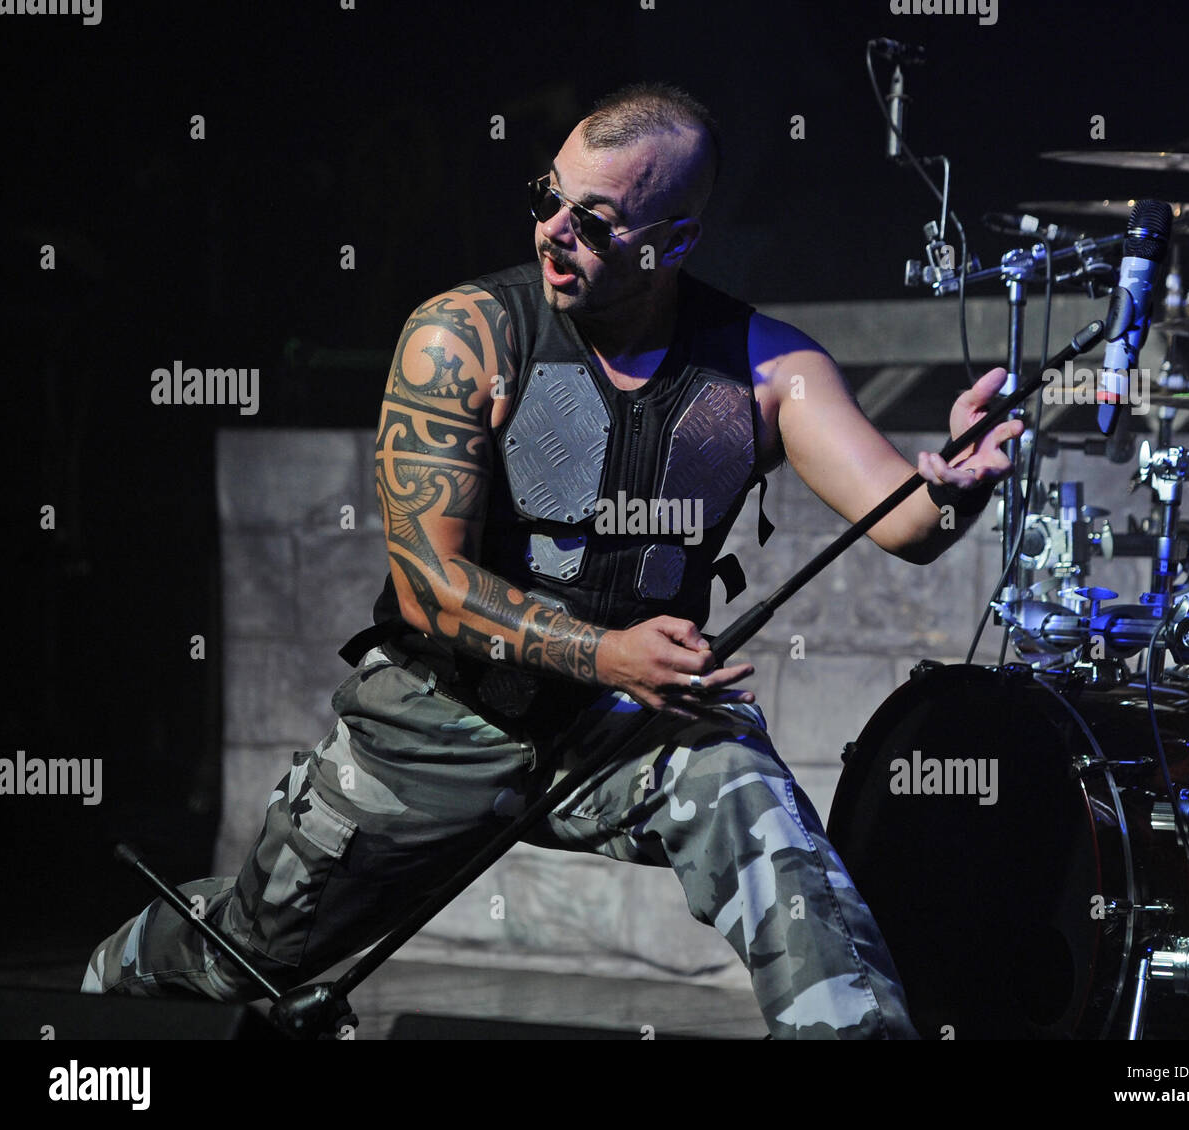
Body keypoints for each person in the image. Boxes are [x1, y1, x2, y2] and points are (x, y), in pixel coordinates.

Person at [83, 82, 1021, 1039]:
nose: (553, 232)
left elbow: (907, 525)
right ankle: (98, 994)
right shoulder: (462, 338)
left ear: (676, 241)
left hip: (627, 726)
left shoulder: (770, 371)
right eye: (548, 197)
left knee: (774, 840)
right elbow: (427, 584)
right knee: (254, 949)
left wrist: (955, 485)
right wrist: (609, 654)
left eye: (596, 221)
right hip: (439, 714)